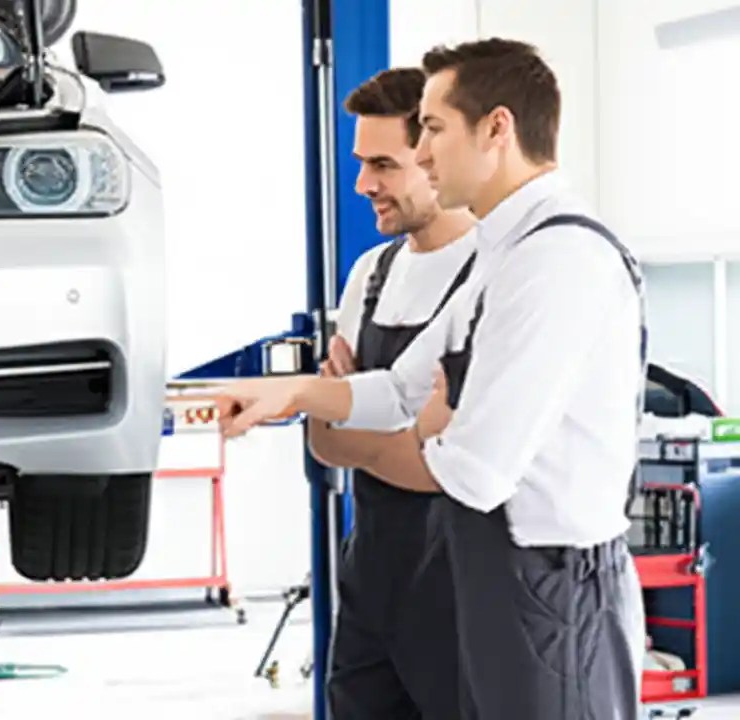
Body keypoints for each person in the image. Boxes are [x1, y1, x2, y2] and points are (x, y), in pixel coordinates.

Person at [217, 38, 646, 720]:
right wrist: (288, 395)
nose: (422, 154)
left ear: (497, 129)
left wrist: (375, 442)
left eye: (436, 129)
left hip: (553, 586)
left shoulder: (558, 261)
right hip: (497, 580)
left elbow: (475, 471)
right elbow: (398, 387)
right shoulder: (503, 257)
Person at [313, 67, 476, 720]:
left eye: (383, 164)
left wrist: (350, 420)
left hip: (465, 593)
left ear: (437, 155)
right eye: (361, 163)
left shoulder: (492, 276)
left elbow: (460, 455)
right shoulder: (370, 275)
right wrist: (406, 436)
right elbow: (324, 441)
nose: (362, 185)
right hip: (372, 586)